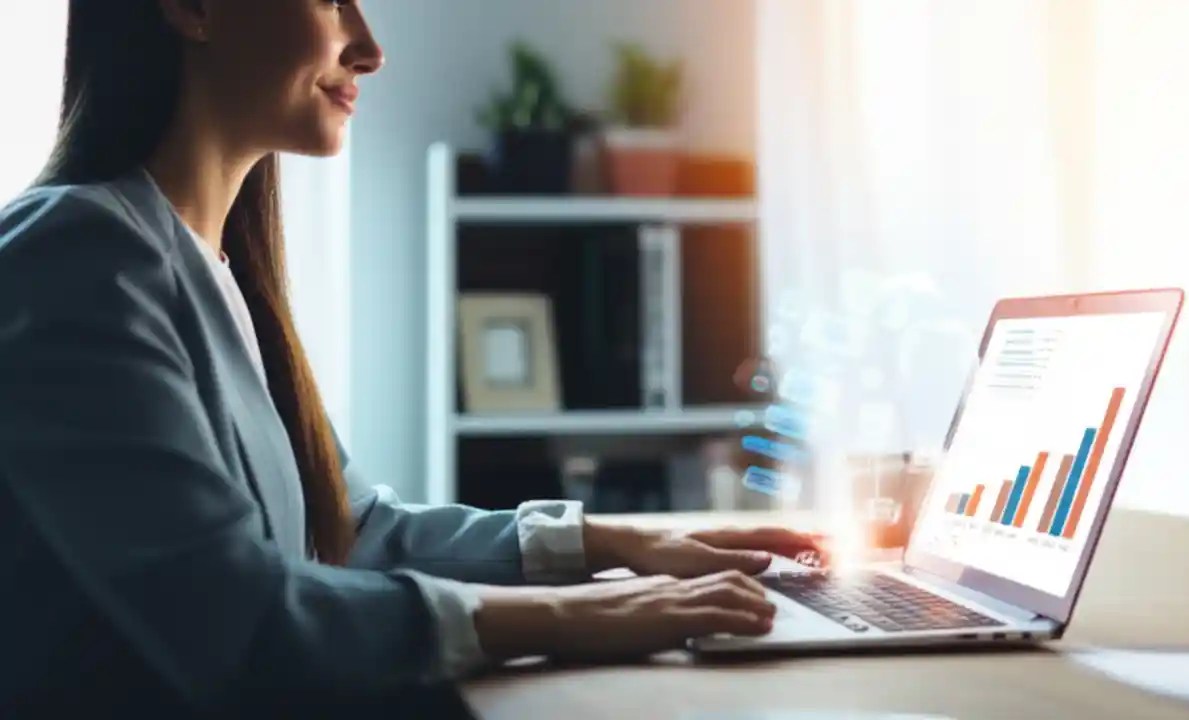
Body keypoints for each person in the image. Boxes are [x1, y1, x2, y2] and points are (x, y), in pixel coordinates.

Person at [0, 0, 823, 714]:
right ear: (193, 6)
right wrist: (587, 617)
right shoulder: (74, 256)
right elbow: (236, 621)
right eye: (331, 2)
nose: (369, 47)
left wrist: (618, 545)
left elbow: (351, 529)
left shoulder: (213, 267)